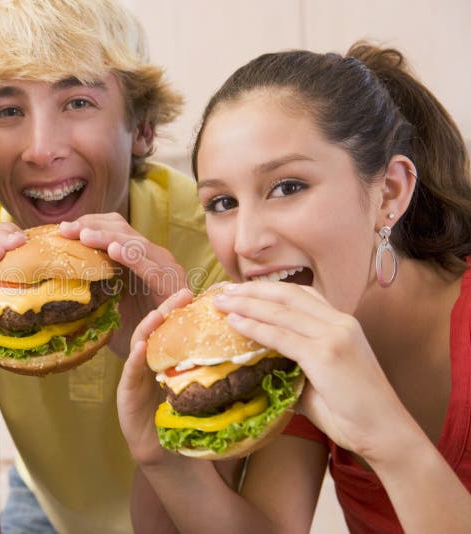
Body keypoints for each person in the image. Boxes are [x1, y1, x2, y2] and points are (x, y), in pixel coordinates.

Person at [0, 1, 229, 532]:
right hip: (42, 507)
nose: (42, 149)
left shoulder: (216, 245)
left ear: (142, 128)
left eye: (77, 101)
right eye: (8, 111)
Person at [118, 41, 471, 533]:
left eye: (287, 187)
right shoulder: (296, 351)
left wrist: (387, 439)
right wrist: (167, 462)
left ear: (389, 192)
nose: (247, 242)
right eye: (222, 203)